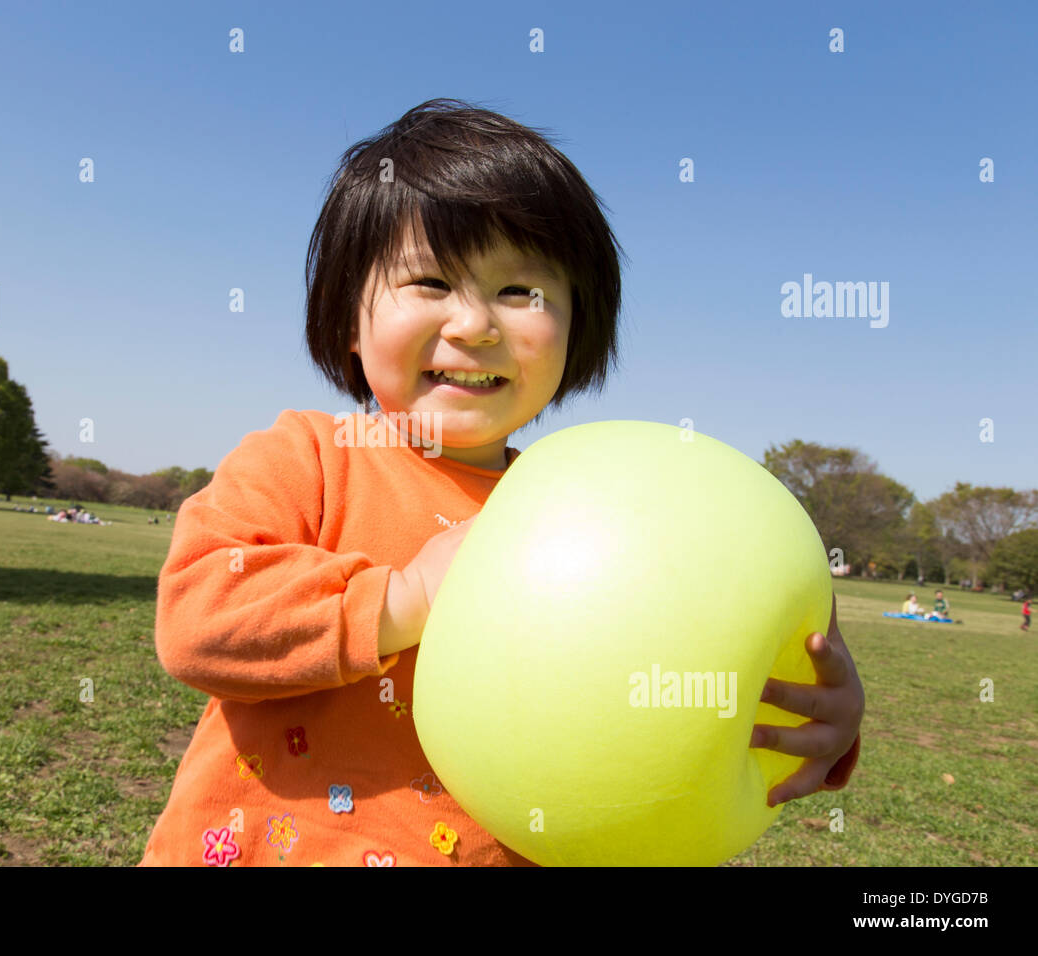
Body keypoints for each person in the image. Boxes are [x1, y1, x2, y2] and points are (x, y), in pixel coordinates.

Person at [137, 99, 865, 868]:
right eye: (428, 281)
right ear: (350, 319)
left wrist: (823, 720)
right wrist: (401, 600)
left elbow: (670, 700)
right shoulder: (309, 456)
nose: (475, 324)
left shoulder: (600, 517)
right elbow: (198, 618)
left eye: (521, 292)